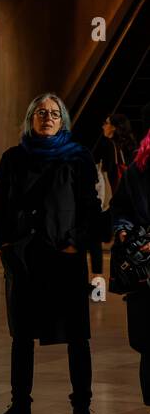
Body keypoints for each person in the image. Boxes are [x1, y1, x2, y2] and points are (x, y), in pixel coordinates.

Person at [0, 92, 100, 414]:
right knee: (21, 337)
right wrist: (7, 243)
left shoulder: (78, 158)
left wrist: (77, 245)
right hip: (24, 260)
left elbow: (90, 209)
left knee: (77, 338)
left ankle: (82, 408)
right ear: (30, 119)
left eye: (54, 113)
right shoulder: (13, 157)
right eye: (41, 112)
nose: (47, 117)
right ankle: (20, 406)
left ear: (62, 120)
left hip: (64, 259)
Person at [109, 126, 150, 414]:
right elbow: (120, 206)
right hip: (141, 271)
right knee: (146, 341)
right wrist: (123, 229)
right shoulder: (137, 171)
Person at [91, 113, 135, 286]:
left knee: (94, 239)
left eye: (106, 123)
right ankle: (130, 280)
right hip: (125, 197)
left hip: (109, 197)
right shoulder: (130, 147)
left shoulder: (107, 145)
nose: (103, 126)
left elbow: (104, 173)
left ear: (114, 127)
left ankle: (98, 287)